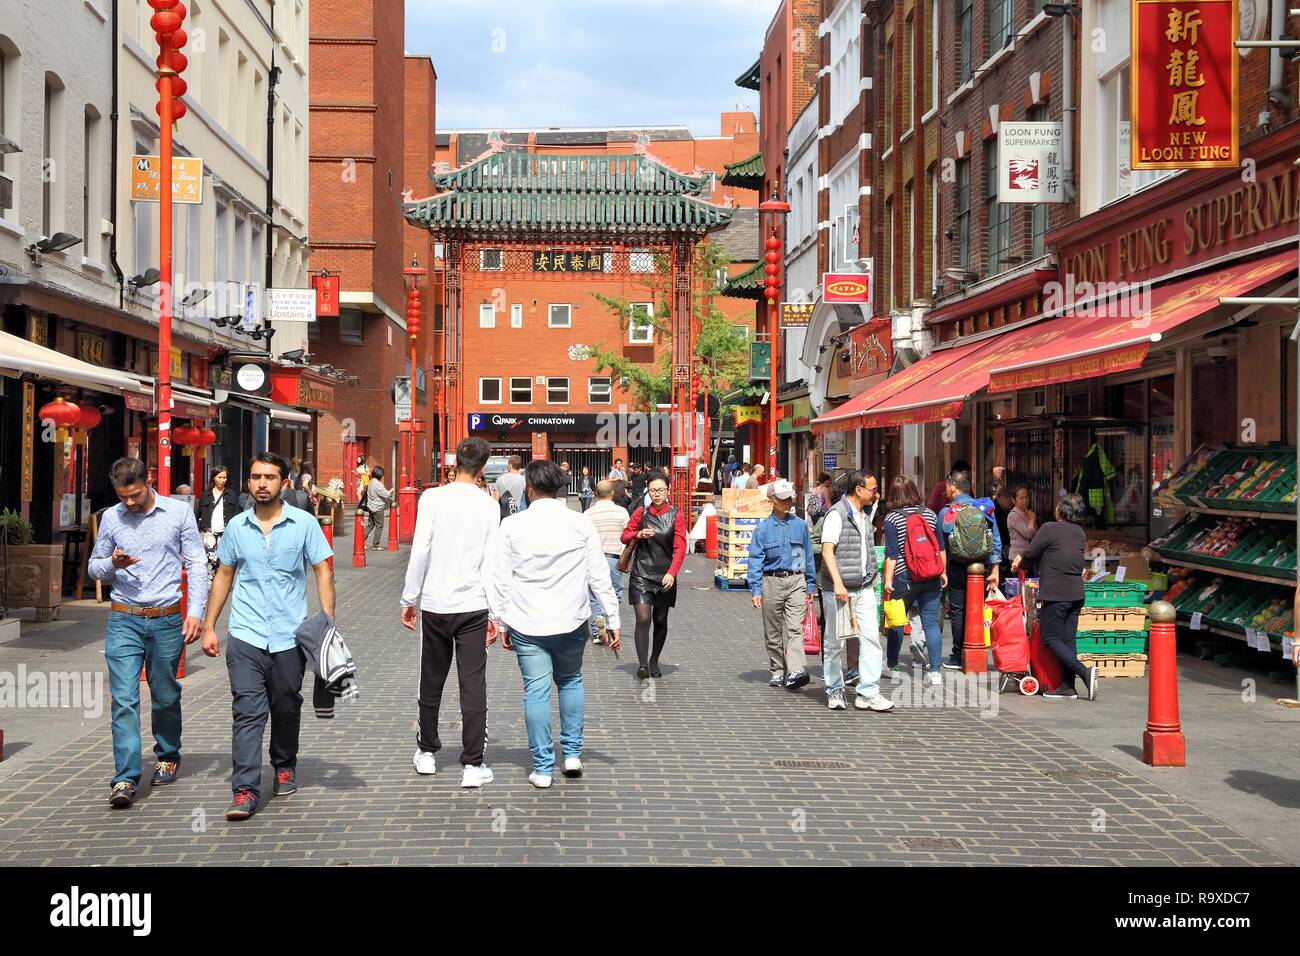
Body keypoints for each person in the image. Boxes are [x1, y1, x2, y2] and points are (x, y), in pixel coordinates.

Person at [200, 452, 334, 820]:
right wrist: (210, 624)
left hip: (290, 637)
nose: (261, 483)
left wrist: (327, 622)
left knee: (287, 704)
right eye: (256, 476)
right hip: (245, 634)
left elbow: (323, 571)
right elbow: (224, 575)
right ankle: (244, 789)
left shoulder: (304, 524)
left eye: (269, 477)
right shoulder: (237, 527)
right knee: (247, 711)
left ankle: (285, 763)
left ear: (284, 483)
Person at [486, 459, 621, 789]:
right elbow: (598, 575)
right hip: (572, 620)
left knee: (536, 690)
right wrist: (612, 618)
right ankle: (572, 754)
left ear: (529, 489)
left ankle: (543, 767)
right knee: (571, 681)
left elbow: (499, 579)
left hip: (526, 622)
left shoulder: (512, 526)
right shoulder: (579, 523)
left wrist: (499, 621)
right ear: (559, 487)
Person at [88, 457, 211, 809]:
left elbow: (197, 564)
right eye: (122, 496)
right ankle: (125, 777)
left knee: (165, 693)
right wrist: (113, 563)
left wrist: (196, 613)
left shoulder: (178, 513)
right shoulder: (111, 517)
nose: (128, 502)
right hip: (123, 618)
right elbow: (95, 568)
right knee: (124, 698)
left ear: (149, 481)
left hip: (167, 617)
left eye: (135, 494)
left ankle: (168, 752)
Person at [400, 437, 501, 788]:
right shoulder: (489, 505)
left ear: (454, 462)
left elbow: (420, 550)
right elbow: (492, 562)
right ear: (484, 468)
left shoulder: (432, 498)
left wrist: (409, 597)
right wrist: (496, 613)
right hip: (473, 604)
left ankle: (427, 751)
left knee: (431, 677)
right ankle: (473, 764)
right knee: (473, 684)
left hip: (436, 602)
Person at [819, 471, 894, 712]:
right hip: (839, 589)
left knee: (871, 639)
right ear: (859, 490)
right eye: (873, 489)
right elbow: (827, 550)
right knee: (835, 642)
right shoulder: (837, 514)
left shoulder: (864, 514)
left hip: (864, 587)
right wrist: (838, 583)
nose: (876, 493)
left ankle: (868, 691)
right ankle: (834, 688)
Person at [1013, 493, 1097, 702]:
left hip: (1056, 593)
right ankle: (1067, 687)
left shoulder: (1050, 528)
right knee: (1069, 641)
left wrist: (1019, 562)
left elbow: (1032, 553)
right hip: (1076, 594)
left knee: (1049, 637)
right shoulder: (1079, 532)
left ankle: (1084, 672)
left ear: (1061, 510)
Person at [747, 479, 817, 689]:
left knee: (795, 628)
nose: (788, 503)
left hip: (796, 580)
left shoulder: (800, 525)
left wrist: (810, 584)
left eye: (789, 499)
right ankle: (778, 669)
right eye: (783, 499)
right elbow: (755, 560)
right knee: (773, 631)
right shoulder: (763, 529)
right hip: (771, 582)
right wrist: (756, 589)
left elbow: (808, 556)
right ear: (772, 501)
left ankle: (796, 670)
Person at [619, 471, 687, 680]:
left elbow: (680, 547)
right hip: (641, 573)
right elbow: (624, 536)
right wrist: (638, 534)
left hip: (665, 575)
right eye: (653, 490)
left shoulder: (677, 515)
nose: (657, 494)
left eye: (661, 490)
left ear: (668, 491)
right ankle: (642, 665)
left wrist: (672, 573)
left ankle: (654, 660)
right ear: (648, 490)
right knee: (643, 618)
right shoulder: (641, 513)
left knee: (660, 620)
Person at [882, 476, 948, 687]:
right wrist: (943, 571)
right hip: (931, 574)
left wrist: (888, 579)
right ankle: (935, 671)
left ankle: (892, 665)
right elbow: (940, 547)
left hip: (904, 576)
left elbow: (892, 554)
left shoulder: (892, 519)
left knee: (897, 621)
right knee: (930, 623)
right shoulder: (930, 514)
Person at [938, 471, 1002, 669]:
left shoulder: (946, 512)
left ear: (954, 487)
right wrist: (995, 570)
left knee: (957, 610)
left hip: (956, 567)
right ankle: (976, 647)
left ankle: (958, 655)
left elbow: (942, 545)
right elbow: (995, 538)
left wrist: (943, 571)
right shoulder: (982, 508)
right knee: (975, 608)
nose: (946, 490)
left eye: (947, 486)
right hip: (980, 566)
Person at [584, 480, 629, 645]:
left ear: (595, 494)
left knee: (594, 596)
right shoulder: (622, 512)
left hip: (593, 559)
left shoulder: (588, 514)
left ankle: (596, 632)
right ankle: (610, 624)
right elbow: (627, 536)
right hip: (614, 558)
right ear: (612, 493)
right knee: (614, 593)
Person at [196, 466, 241, 577]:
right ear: (213, 478)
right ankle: (211, 584)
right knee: (210, 560)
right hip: (208, 531)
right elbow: (198, 514)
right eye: (219, 477)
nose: (222, 480)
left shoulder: (231, 494)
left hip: (226, 532)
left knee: (223, 560)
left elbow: (237, 514)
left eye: (224, 477)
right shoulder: (206, 495)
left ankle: (220, 582)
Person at [1006, 485, 1038, 573]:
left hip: (1029, 555)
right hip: (1017, 557)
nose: (1025, 501)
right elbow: (1028, 534)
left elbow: (1036, 534)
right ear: (1013, 500)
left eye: (1026, 498)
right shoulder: (1013, 515)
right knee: (1020, 584)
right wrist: (1032, 520)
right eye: (1021, 498)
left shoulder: (1029, 514)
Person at [362, 465, 391, 550]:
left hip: (371, 506)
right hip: (378, 508)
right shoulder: (378, 484)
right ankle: (376, 545)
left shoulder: (371, 482)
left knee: (370, 525)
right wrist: (391, 491)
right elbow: (386, 494)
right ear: (380, 474)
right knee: (379, 526)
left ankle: (361, 541)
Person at [993, 486, 1014, 578]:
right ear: (1002, 498)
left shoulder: (1005, 511)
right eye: (1009, 499)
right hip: (999, 547)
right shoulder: (995, 511)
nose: (1012, 503)